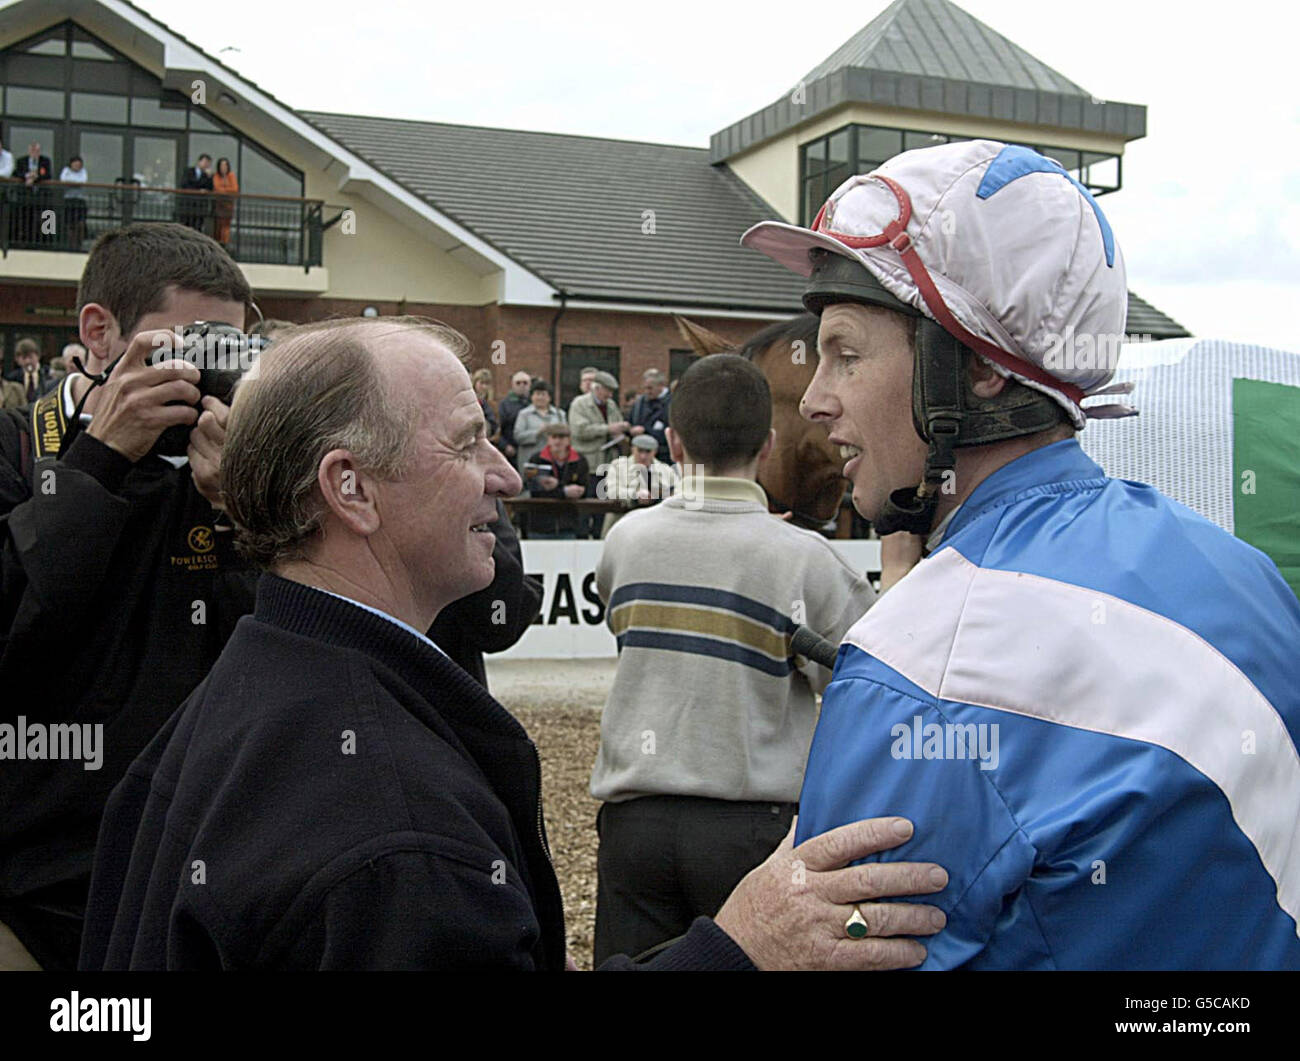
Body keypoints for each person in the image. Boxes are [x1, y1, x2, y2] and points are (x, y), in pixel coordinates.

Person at [79, 316, 950, 971]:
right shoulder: (397, 834)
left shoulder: (238, 691)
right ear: (350, 489)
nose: (504, 473)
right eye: (467, 442)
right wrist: (740, 949)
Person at [742, 138, 1300, 969]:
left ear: (976, 373)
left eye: (847, 354)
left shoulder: (920, 667)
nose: (816, 400)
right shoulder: (1243, 573)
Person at [0, 222, 258, 970]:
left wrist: (242, 514)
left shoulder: (218, 480)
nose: (207, 375)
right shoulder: (18, 447)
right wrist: (96, 461)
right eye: (185, 349)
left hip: (192, 888)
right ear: (99, 332)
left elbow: (273, 661)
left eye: (227, 353)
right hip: (33, 890)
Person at [589, 353, 879, 965]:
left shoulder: (626, 540)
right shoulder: (804, 558)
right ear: (769, 445)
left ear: (671, 441)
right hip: (751, 825)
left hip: (634, 822)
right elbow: (862, 677)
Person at [569, 370, 629, 537]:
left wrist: (623, 430)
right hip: (587, 463)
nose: (610, 395)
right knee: (585, 506)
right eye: (607, 390)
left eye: (612, 391)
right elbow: (579, 430)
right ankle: (580, 540)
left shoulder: (610, 405)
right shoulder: (579, 404)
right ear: (597, 388)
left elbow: (616, 424)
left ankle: (599, 537)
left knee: (602, 506)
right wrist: (608, 429)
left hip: (607, 464)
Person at [599, 434, 679, 537]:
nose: (643, 456)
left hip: (656, 525)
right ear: (633, 449)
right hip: (622, 521)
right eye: (640, 451)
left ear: (655, 452)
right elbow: (612, 492)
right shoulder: (617, 466)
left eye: (648, 452)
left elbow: (678, 491)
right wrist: (635, 495)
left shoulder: (666, 470)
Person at [525, 423, 588, 539]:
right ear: (548, 439)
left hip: (569, 524)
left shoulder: (580, 460)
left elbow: (585, 488)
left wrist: (558, 487)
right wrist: (564, 491)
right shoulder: (536, 459)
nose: (557, 442)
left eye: (562, 438)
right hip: (540, 525)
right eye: (554, 437)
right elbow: (533, 489)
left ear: (569, 440)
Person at [512, 379, 564, 472]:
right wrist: (538, 432)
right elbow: (518, 437)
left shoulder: (559, 414)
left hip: (554, 460)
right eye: (537, 394)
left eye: (543, 394)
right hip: (530, 460)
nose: (540, 397)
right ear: (531, 396)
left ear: (549, 397)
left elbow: (566, 435)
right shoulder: (524, 414)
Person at [628, 368, 671, 456]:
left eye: (650, 388)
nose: (647, 392)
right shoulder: (640, 402)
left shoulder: (672, 404)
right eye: (645, 388)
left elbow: (671, 432)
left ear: (661, 385)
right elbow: (631, 420)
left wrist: (646, 431)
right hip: (640, 453)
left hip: (663, 454)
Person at [496, 370, 531, 460]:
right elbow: (498, 429)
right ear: (512, 386)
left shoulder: (534, 403)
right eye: (518, 383)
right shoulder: (505, 405)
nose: (522, 386)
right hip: (511, 451)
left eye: (525, 383)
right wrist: (505, 446)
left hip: (529, 450)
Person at [59, 156, 89, 249]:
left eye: (79, 164)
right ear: (71, 164)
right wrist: (75, 183)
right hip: (69, 200)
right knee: (70, 224)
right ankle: (71, 245)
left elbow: (83, 181)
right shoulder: (66, 170)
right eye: (75, 163)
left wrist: (71, 182)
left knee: (80, 223)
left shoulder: (83, 171)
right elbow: (63, 180)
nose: (77, 166)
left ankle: (79, 244)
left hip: (80, 200)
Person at [179, 154, 213, 232]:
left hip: (200, 205)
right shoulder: (189, 171)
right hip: (188, 203)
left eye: (208, 163)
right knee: (186, 225)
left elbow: (210, 188)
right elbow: (184, 184)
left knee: (198, 226)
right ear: (199, 162)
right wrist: (198, 190)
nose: (206, 165)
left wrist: (209, 177)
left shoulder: (207, 175)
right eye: (205, 162)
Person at [211, 157, 238, 247]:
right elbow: (216, 188)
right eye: (222, 165)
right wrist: (226, 190)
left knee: (226, 225)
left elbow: (234, 189)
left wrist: (223, 190)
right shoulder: (216, 176)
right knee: (218, 225)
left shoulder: (231, 175)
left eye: (225, 165)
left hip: (228, 204)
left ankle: (225, 242)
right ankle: (218, 242)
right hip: (219, 204)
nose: (224, 167)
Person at [471, 367, 499, 443]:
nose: (484, 387)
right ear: (475, 382)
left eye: (486, 384)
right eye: (481, 383)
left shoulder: (492, 403)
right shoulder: (471, 400)